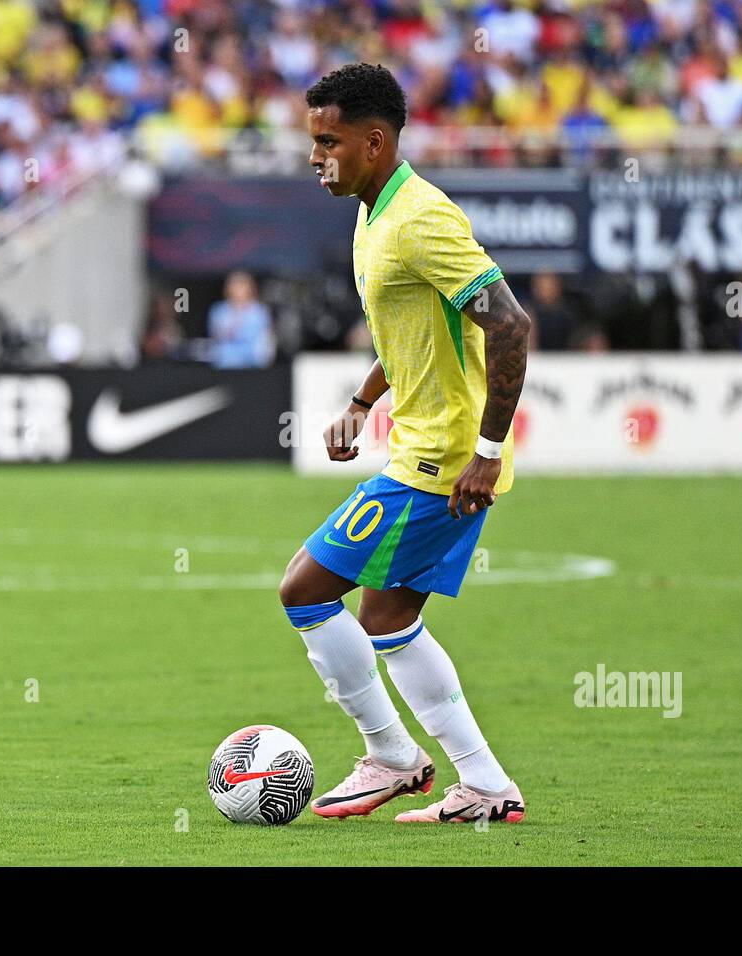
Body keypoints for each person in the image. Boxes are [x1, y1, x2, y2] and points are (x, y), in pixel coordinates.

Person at [278, 63, 531, 825]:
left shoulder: (420, 218)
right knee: (387, 616)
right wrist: (362, 403)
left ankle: (390, 756)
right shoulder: (373, 212)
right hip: (427, 450)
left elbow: (508, 325)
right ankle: (483, 784)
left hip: (441, 462)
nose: (316, 156)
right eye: (312, 140)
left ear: (375, 140)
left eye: (329, 141)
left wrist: (487, 450)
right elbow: (415, 334)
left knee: (306, 589)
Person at [207, 270, 275, 368]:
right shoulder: (218, 310)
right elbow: (216, 336)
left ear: (250, 288)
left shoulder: (259, 312)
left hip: (252, 366)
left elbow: (263, 341)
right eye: (233, 285)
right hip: (223, 364)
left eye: (241, 286)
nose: (237, 290)